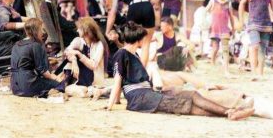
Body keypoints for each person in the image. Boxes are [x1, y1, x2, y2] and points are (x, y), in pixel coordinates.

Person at [106, 22, 253, 120]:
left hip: (147, 94)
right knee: (186, 105)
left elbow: (122, 82)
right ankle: (229, 113)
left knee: (192, 95)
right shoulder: (122, 54)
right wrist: (110, 106)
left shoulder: (133, 55)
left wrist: (118, 101)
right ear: (138, 39)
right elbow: (117, 82)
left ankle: (229, 111)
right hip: (141, 98)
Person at [105, 0, 154, 66]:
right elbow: (154, 0)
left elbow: (112, 13)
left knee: (128, 43)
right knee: (146, 44)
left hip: (134, 8)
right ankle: (142, 72)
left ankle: (129, 70)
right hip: (147, 6)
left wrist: (107, 31)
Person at [10, 18, 65, 98]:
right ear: (36, 31)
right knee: (60, 85)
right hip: (28, 86)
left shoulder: (16, 44)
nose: (42, 32)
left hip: (15, 87)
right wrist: (55, 78)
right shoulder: (35, 45)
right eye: (41, 30)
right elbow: (42, 71)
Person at [238, 0, 273, 79]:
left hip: (266, 23)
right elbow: (241, 4)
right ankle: (253, 73)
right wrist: (241, 21)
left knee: (263, 48)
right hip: (253, 22)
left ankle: (260, 73)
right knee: (254, 46)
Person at [63, 17, 106, 97]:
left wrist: (79, 54)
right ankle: (89, 91)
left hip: (95, 81)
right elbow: (67, 52)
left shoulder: (99, 45)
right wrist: (74, 60)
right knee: (67, 89)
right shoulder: (79, 41)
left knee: (72, 90)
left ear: (85, 30)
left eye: (79, 28)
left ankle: (91, 91)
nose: (77, 30)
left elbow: (93, 65)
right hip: (83, 80)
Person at [206, 0, 238, 75]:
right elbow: (205, 11)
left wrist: (233, 29)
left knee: (225, 50)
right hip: (214, 28)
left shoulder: (228, 3)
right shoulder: (212, 1)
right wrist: (206, 21)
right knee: (215, 48)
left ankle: (226, 69)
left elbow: (231, 17)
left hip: (225, 29)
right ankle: (212, 64)